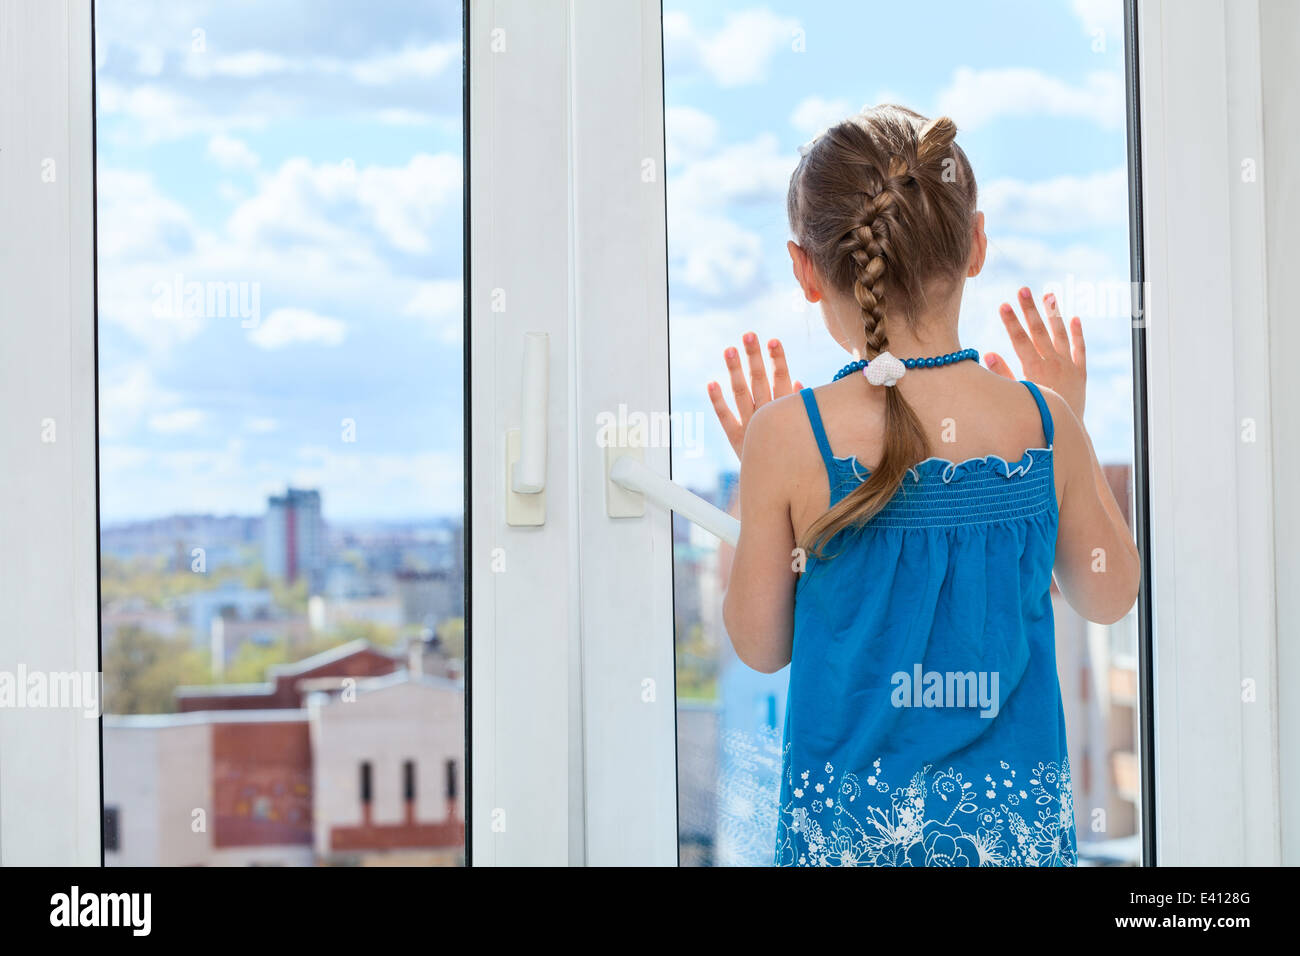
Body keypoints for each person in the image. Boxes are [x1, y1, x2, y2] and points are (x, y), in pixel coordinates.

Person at [707, 105, 1140, 867]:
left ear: (806, 269)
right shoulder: (1042, 422)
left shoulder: (786, 436)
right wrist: (1070, 415)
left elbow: (759, 643)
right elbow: (1108, 595)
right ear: (975, 244)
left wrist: (762, 477)